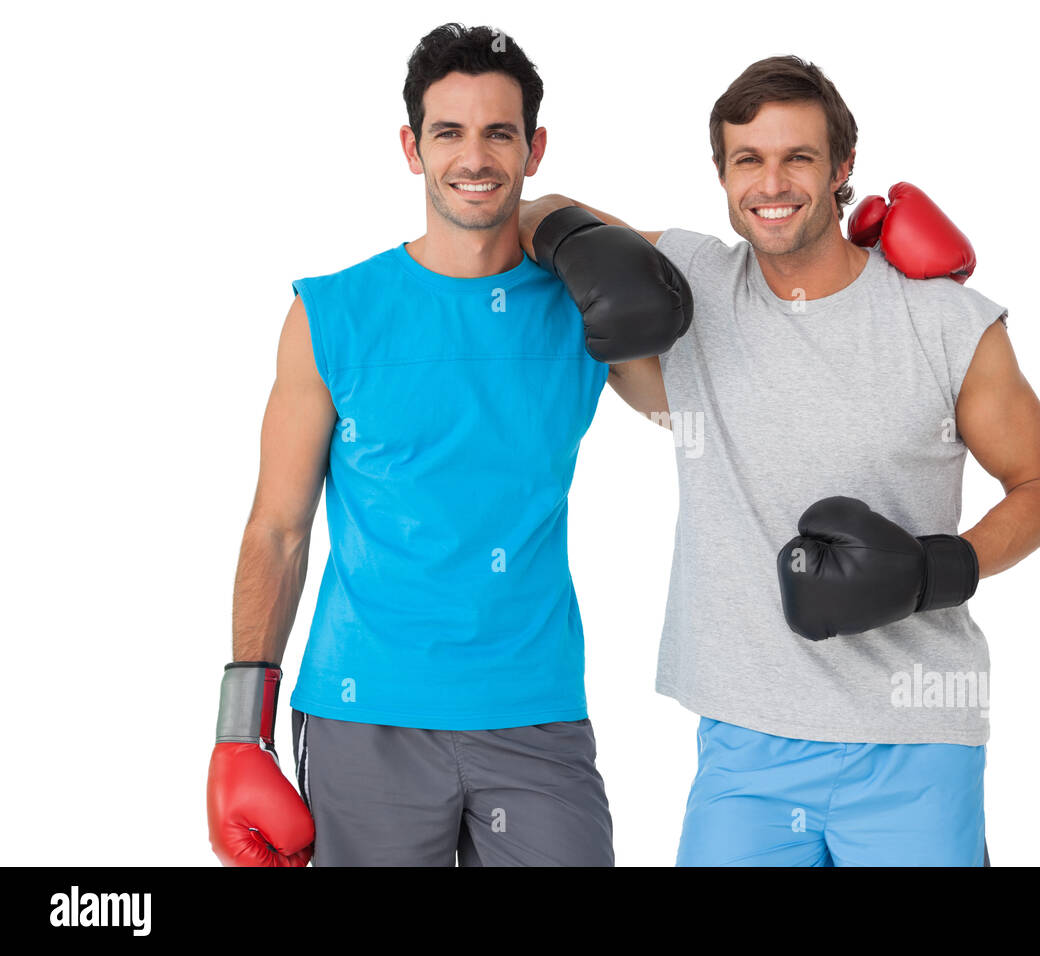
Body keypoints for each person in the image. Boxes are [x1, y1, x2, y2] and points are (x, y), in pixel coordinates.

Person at [519, 55, 1040, 866]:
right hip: (746, 750)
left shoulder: (946, 322)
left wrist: (934, 571)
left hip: (913, 740)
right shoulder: (699, 279)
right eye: (748, 159)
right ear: (722, 173)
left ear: (844, 168)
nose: (770, 182)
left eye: (798, 158)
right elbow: (539, 206)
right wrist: (578, 248)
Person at [205, 22, 690, 867]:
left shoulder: (580, 307)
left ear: (535, 148)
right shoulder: (332, 312)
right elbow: (278, 530)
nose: (476, 156)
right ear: (411, 147)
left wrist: (560, 220)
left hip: (534, 710)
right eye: (450, 133)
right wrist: (237, 735)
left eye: (500, 133)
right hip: (366, 713)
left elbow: (693, 393)